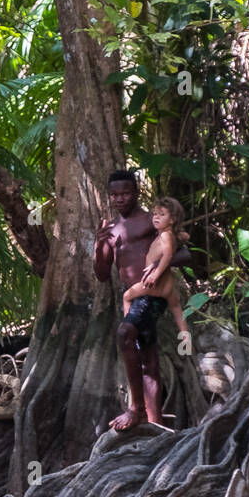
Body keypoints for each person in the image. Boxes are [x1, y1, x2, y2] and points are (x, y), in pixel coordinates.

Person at [93, 172, 190, 431]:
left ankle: (135, 409)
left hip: (153, 293)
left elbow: (184, 252)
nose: (119, 199)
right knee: (148, 357)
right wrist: (98, 246)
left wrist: (158, 266)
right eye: (114, 194)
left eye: (125, 193)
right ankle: (154, 422)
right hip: (135, 297)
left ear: (136, 192)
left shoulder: (151, 221)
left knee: (125, 333)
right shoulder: (111, 229)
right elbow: (102, 275)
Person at [121, 196, 190, 339]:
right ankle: (187, 347)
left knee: (127, 296)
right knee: (177, 310)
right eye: (155, 214)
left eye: (162, 214)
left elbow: (168, 256)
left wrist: (155, 274)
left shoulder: (165, 236)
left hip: (155, 284)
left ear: (172, 220)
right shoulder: (171, 234)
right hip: (168, 286)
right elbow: (185, 236)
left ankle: (128, 331)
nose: (156, 217)